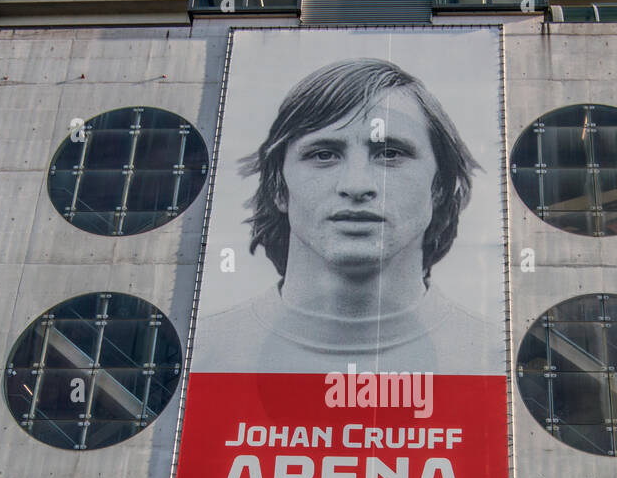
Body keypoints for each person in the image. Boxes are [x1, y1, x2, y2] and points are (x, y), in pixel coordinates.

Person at [197, 58, 498, 374]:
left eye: (390, 153)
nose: (357, 186)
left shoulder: (494, 361)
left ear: (439, 185)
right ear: (278, 188)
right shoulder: (203, 355)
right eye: (323, 155)